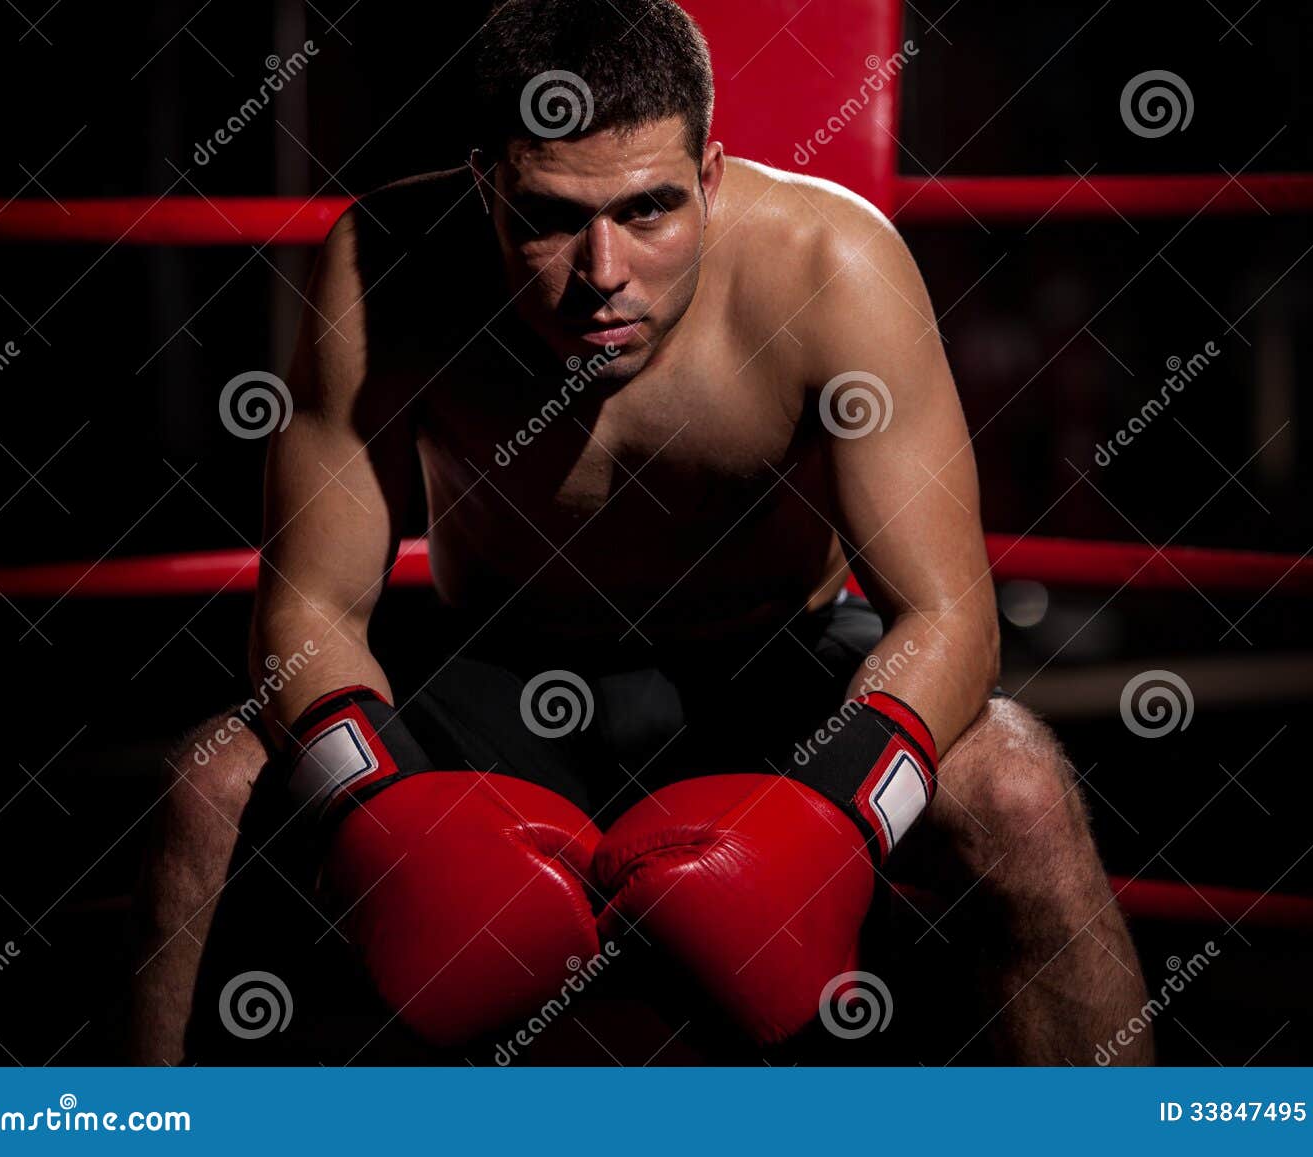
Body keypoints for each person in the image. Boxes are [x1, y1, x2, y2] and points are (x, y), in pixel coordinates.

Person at [128, 0, 1149, 1064]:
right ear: (484, 183)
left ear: (710, 175)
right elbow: (309, 607)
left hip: (772, 672)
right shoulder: (383, 266)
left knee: (1022, 789)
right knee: (209, 783)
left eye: (651, 208)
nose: (604, 269)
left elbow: (948, 614)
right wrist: (375, 801)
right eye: (548, 217)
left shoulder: (828, 265)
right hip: (502, 673)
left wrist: (841, 810)